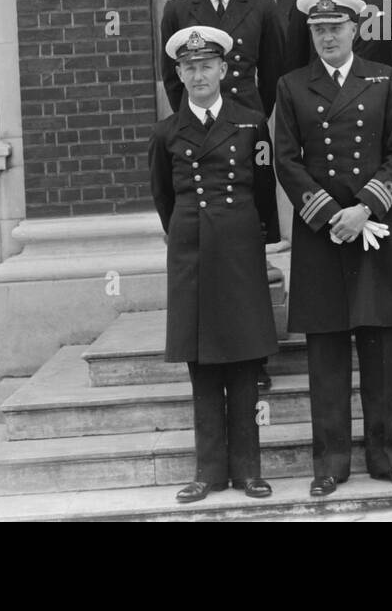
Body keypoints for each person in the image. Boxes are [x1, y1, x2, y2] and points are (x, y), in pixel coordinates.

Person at [274, 0, 392, 496]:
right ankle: (331, 463)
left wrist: (365, 208)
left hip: (372, 231)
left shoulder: (385, 80)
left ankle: (386, 456)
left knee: (380, 351)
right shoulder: (292, 85)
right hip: (322, 237)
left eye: (336, 28)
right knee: (327, 356)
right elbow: (286, 161)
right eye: (319, 30)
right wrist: (331, 214)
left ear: (355, 30)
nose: (328, 37)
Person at [149, 26, 280, 504]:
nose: (198, 74)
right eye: (189, 67)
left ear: (224, 70)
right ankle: (208, 472)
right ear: (179, 75)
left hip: (240, 249)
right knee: (201, 365)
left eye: (207, 66)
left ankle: (249, 470)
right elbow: (164, 197)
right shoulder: (167, 131)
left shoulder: (251, 123)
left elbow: (264, 191)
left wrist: (251, 237)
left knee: (245, 362)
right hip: (192, 254)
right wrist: (193, 231)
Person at [157, 0, 285, 390]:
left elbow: (272, 76)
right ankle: (209, 349)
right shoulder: (177, 9)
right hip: (196, 136)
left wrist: (243, 120)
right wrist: (198, 123)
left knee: (247, 244)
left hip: (245, 132)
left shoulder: (264, 9)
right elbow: (173, 79)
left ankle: (256, 356)